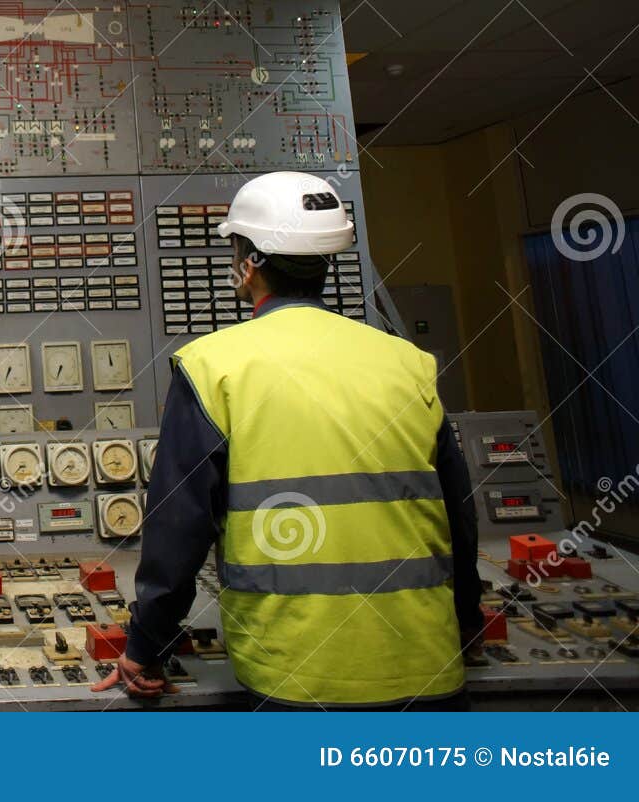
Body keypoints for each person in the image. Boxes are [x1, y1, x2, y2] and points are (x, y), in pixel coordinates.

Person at [92, 172, 482, 710]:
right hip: (426, 662)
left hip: (293, 671)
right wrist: (468, 624)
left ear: (248, 262)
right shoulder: (407, 363)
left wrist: (146, 645)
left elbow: (179, 527)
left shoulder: (213, 367)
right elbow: (458, 516)